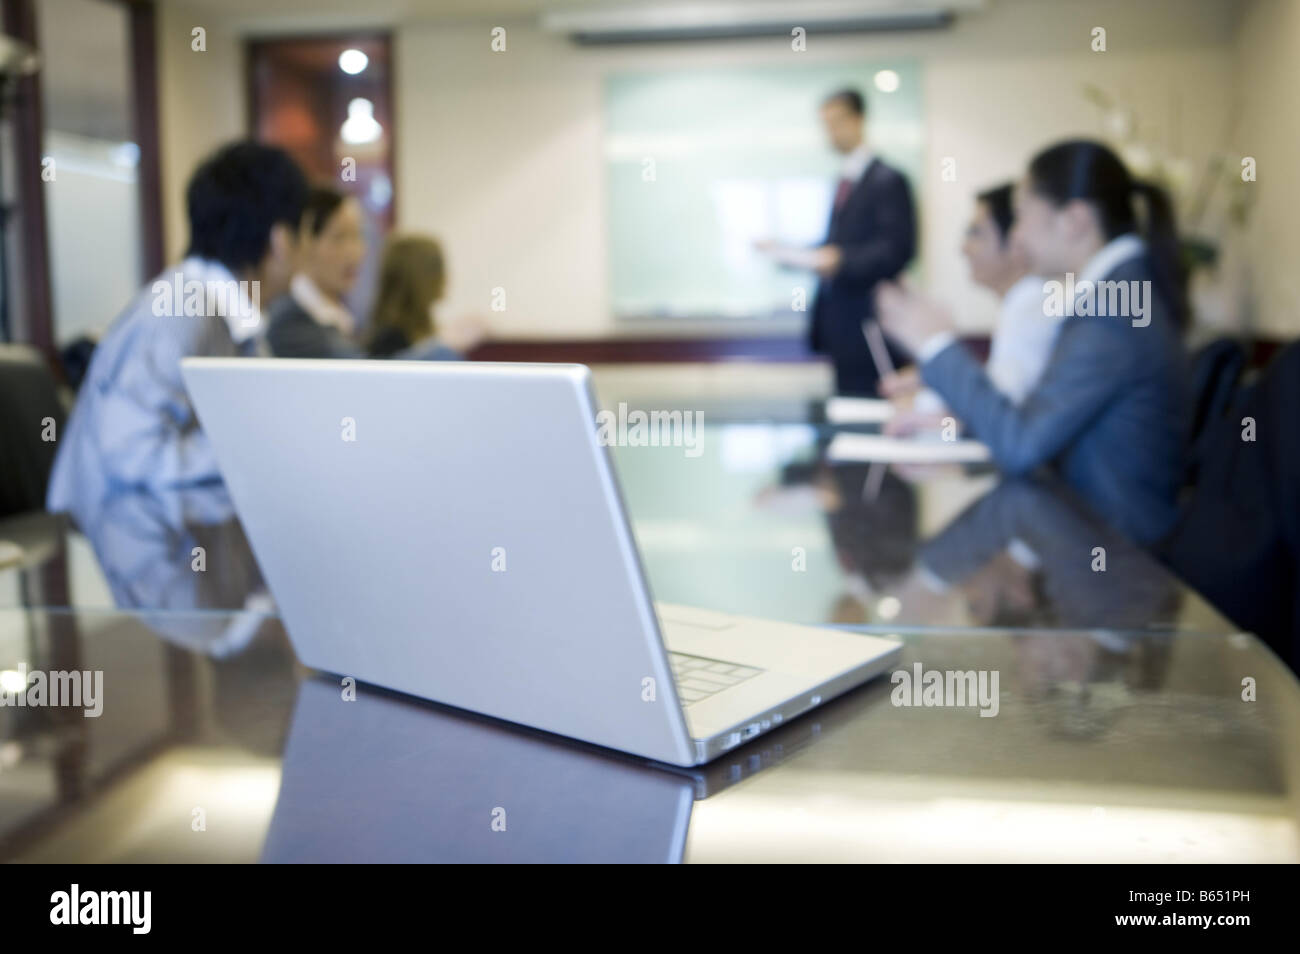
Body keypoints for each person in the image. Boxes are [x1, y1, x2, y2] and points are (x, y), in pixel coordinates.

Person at [876, 139, 1188, 546]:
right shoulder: (1120, 294)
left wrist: (937, 345)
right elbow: (1031, 427)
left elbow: (1021, 445)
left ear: (1074, 220)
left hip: (1118, 560)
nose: (1018, 237)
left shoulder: (1114, 310)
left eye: (1021, 215)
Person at [46, 141, 308, 511]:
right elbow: (132, 456)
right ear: (281, 240)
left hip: (164, 528)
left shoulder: (233, 315)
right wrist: (255, 453)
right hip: (106, 538)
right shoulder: (177, 314)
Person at [882, 183, 1061, 425]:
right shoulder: (1024, 302)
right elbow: (1002, 391)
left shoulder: (1030, 305)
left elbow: (1001, 419)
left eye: (976, 233)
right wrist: (930, 383)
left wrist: (922, 416)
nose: (963, 248)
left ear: (1015, 241)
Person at [804, 88, 916, 396]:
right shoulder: (843, 180)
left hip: (871, 324)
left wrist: (840, 261)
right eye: (825, 124)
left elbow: (898, 249)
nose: (831, 132)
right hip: (839, 326)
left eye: (837, 122)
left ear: (859, 120)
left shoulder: (887, 180)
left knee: (873, 410)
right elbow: (838, 243)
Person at [266, 186, 366, 359]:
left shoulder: (342, 315)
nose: (354, 252)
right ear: (306, 240)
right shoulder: (289, 319)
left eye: (357, 236)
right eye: (339, 237)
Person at [365, 235, 486, 359]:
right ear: (424, 277)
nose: (446, 277)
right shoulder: (390, 339)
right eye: (439, 269)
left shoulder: (422, 333)